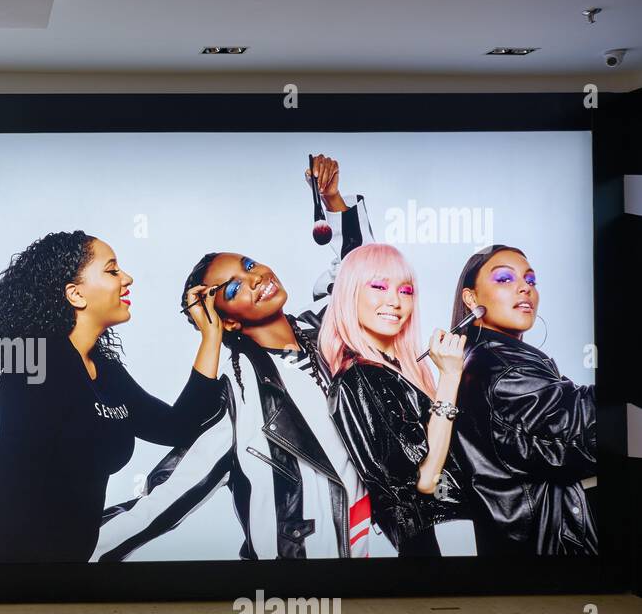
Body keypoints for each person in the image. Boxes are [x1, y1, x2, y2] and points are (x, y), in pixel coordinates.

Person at [95, 154, 372, 561]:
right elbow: (158, 503)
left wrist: (334, 202)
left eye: (248, 265)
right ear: (227, 323)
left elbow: (360, 278)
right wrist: (52, 552)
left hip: (378, 576)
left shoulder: (331, 332)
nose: (256, 278)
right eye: (232, 289)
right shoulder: (240, 402)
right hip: (293, 591)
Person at [0, 230, 225, 564]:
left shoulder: (106, 372)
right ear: (75, 294)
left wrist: (211, 335)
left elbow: (178, 428)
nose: (127, 278)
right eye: (112, 270)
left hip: (65, 565)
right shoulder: (37, 360)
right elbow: (20, 475)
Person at [318, 243, 472, 555]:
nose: (395, 301)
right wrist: (450, 378)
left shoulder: (402, 370)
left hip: (454, 534)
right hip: (433, 543)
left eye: (405, 290)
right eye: (378, 286)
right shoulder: (361, 377)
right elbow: (427, 479)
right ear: (349, 293)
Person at [450, 245, 596, 555]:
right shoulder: (500, 371)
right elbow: (584, 431)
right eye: (504, 278)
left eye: (531, 280)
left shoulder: (495, 361)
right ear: (471, 299)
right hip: (546, 562)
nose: (524, 287)